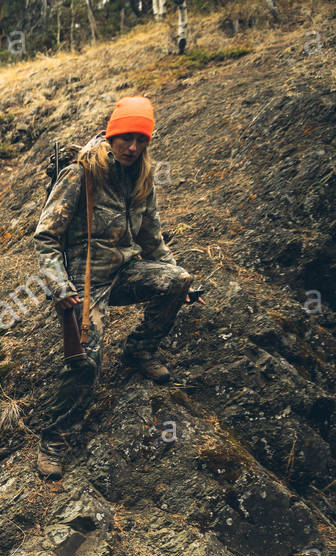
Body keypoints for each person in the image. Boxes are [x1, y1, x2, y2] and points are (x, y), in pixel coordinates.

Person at [33, 95, 198, 480]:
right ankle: (55, 439)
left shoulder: (142, 178)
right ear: (111, 134)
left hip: (124, 272)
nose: (132, 147)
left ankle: (139, 349)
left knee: (179, 281)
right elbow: (45, 237)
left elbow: (152, 238)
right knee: (85, 362)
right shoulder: (81, 174)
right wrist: (59, 286)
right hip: (84, 282)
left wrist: (177, 278)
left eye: (141, 140)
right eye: (126, 137)